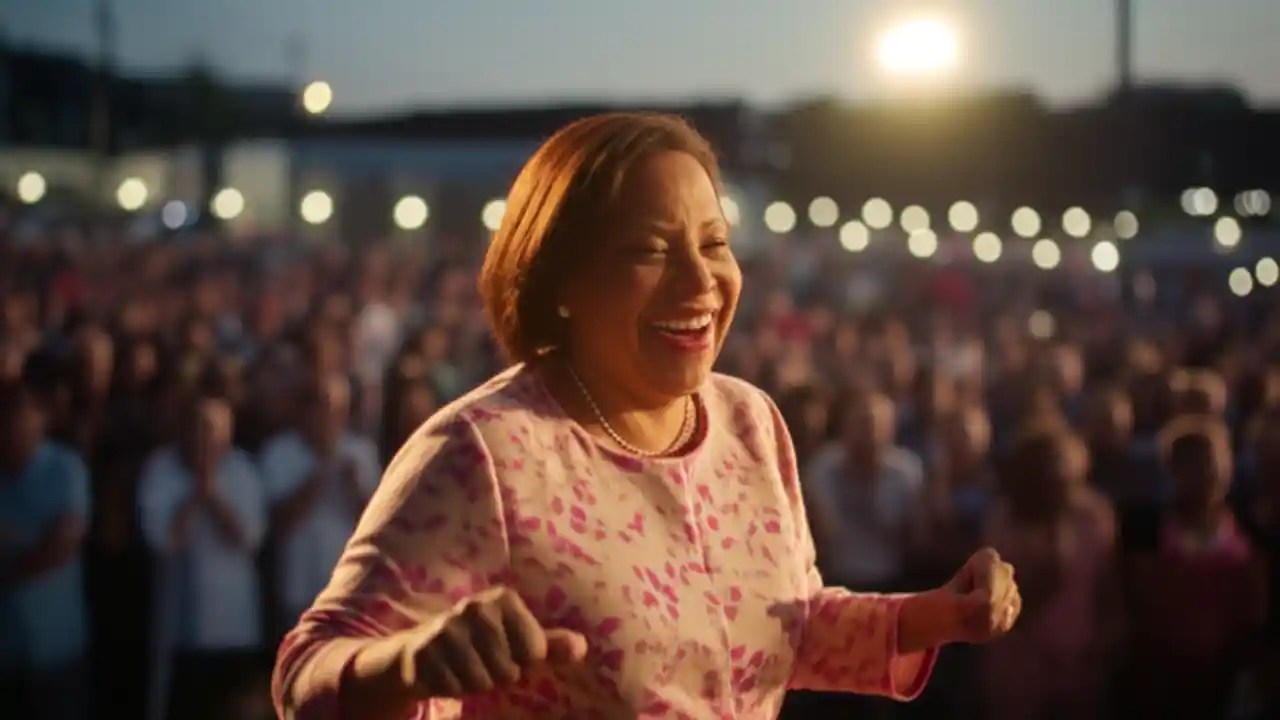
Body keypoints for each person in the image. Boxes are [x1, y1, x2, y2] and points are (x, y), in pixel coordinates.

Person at [272, 112, 1021, 720]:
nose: (700, 282)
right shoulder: (486, 452)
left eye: (714, 243)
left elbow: (778, 626)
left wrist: (934, 617)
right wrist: (407, 665)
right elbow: (308, 673)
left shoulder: (749, 421)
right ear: (559, 280)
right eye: (648, 251)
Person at [1121, 415, 1266, 717]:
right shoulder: (1145, 528)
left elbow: (1255, 607)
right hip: (1162, 677)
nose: (1207, 473)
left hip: (1228, 674)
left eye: (1214, 463)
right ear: (1173, 469)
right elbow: (1139, 603)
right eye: (1194, 464)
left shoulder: (1250, 528)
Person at [138, 395, 268, 720]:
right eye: (197, 429)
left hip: (234, 627)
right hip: (178, 631)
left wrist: (214, 497)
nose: (204, 440)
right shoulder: (161, 468)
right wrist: (195, 495)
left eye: (213, 432)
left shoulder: (243, 471)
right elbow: (162, 541)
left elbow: (250, 538)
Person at [980, 422, 1121, 720]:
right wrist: (1047, 574)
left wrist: (1103, 644)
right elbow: (997, 606)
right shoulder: (1005, 524)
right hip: (1021, 667)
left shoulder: (1092, 516)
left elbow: (1106, 583)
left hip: (1080, 663)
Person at [0, 377, 92, 720]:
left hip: (57, 653)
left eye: (20, 416)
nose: (11, 428)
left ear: (41, 419)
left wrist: (9, 570)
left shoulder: (66, 468)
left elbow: (61, 547)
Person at [261, 374, 381, 632]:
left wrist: (356, 491)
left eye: (337, 411)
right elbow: (278, 523)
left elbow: (378, 527)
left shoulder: (362, 452)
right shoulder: (279, 452)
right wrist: (320, 473)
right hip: (298, 587)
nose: (329, 419)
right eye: (322, 409)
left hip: (349, 591)